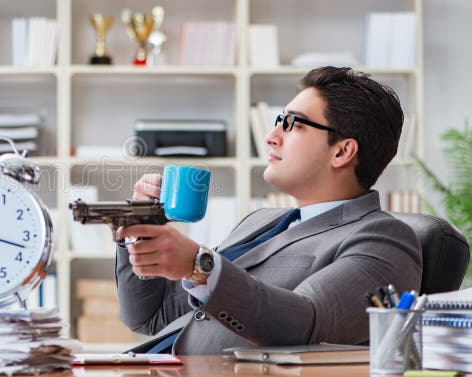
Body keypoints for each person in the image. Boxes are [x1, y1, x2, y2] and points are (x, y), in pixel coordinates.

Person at [114, 66, 422, 355]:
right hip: (151, 376)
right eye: (278, 120)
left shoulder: (385, 240)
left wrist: (200, 266)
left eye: (292, 124)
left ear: (342, 152)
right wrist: (142, 226)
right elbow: (148, 318)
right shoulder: (259, 222)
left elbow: (305, 324)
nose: (271, 136)